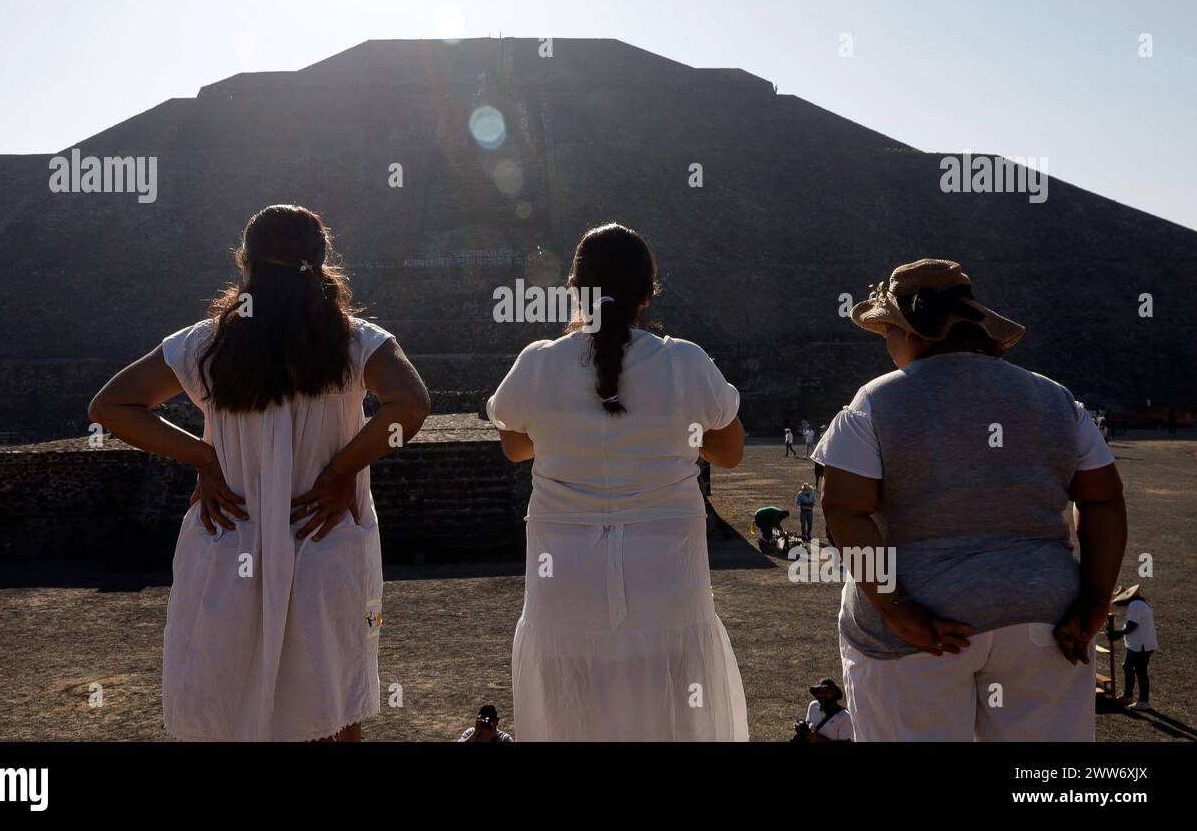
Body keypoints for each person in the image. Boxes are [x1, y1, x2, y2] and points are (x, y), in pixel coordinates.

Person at [89, 205, 430, 741]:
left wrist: (204, 458)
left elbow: (111, 407)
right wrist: (342, 468)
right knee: (333, 702)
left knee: (226, 702)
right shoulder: (357, 341)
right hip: (323, 538)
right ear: (320, 264)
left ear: (245, 264)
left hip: (231, 542)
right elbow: (410, 404)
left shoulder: (208, 344)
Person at [813, 259, 1127, 741]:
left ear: (912, 332)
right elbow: (1104, 499)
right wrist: (1094, 599)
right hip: (1045, 618)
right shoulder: (1057, 400)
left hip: (921, 628)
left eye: (888, 333)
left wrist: (896, 607)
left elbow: (842, 509)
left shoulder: (875, 402)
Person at [487, 223, 749, 741]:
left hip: (565, 576)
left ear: (573, 289)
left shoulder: (539, 362)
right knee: (669, 708)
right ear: (648, 294)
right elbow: (731, 450)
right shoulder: (685, 361)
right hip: (666, 574)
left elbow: (516, 445)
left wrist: (571, 431)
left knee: (575, 709)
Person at [1107, 585, 1157, 710]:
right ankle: (1129, 695)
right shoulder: (1138, 604)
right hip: (1140, 643)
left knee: (1139, 670)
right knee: (1130, 667)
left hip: (1141, 644)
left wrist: (1118, 634)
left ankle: (1142, 701)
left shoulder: (1135, 605)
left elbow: (1131, 626)